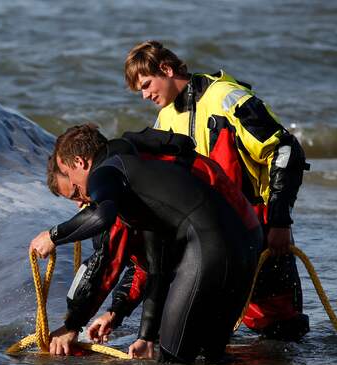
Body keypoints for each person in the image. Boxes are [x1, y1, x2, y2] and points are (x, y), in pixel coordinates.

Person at [122, 40, 310, 340]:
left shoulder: (225, 97)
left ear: (166, 69)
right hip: (208, 242)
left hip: (259, 233)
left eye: (146, 84)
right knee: (207, 339)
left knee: (280, 337)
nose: (144, 95)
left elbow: (287, 150)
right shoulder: (165, 118)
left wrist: (280, 221)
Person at [29, 124, 262, 363]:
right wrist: (144, 334)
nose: (82, 203)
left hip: (209, 246)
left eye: (77, 191)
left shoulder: (107, 173)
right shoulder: (143, 169)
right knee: (209, 358)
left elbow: (106, 244)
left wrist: (53, 236)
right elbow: (155, 264)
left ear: (80, 162)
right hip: (245, 244)